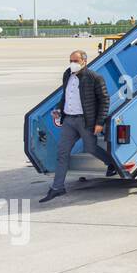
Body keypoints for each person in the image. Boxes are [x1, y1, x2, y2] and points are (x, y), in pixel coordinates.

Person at [40, 50, 116, 202]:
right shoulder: (67, 74)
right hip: (69, 120)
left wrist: (99, 122)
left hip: (85, 121)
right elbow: (65, 95)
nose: (72, 64)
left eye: (75, 61)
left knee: (90, 148)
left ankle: (111, 163)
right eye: (70, 60)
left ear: (84, 62)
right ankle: (57, 187)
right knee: (62, 153)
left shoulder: (94, 77)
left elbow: (104, 100)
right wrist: (60, 110)